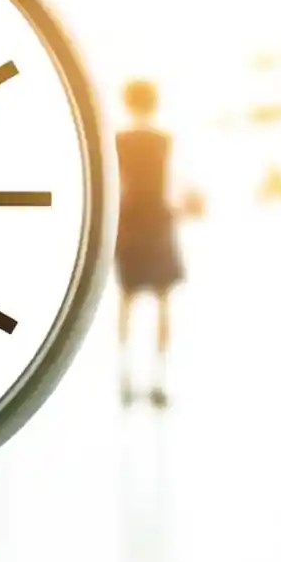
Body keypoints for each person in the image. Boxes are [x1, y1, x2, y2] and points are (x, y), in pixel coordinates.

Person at [114, 79, 184, 408]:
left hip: (129, 223)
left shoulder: (120, 141)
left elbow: (118, 186)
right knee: (163, 302)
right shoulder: (163, 141)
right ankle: (159, 378)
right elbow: (174, 185)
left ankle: (125, 376)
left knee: (126, 302)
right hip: (158, 221)